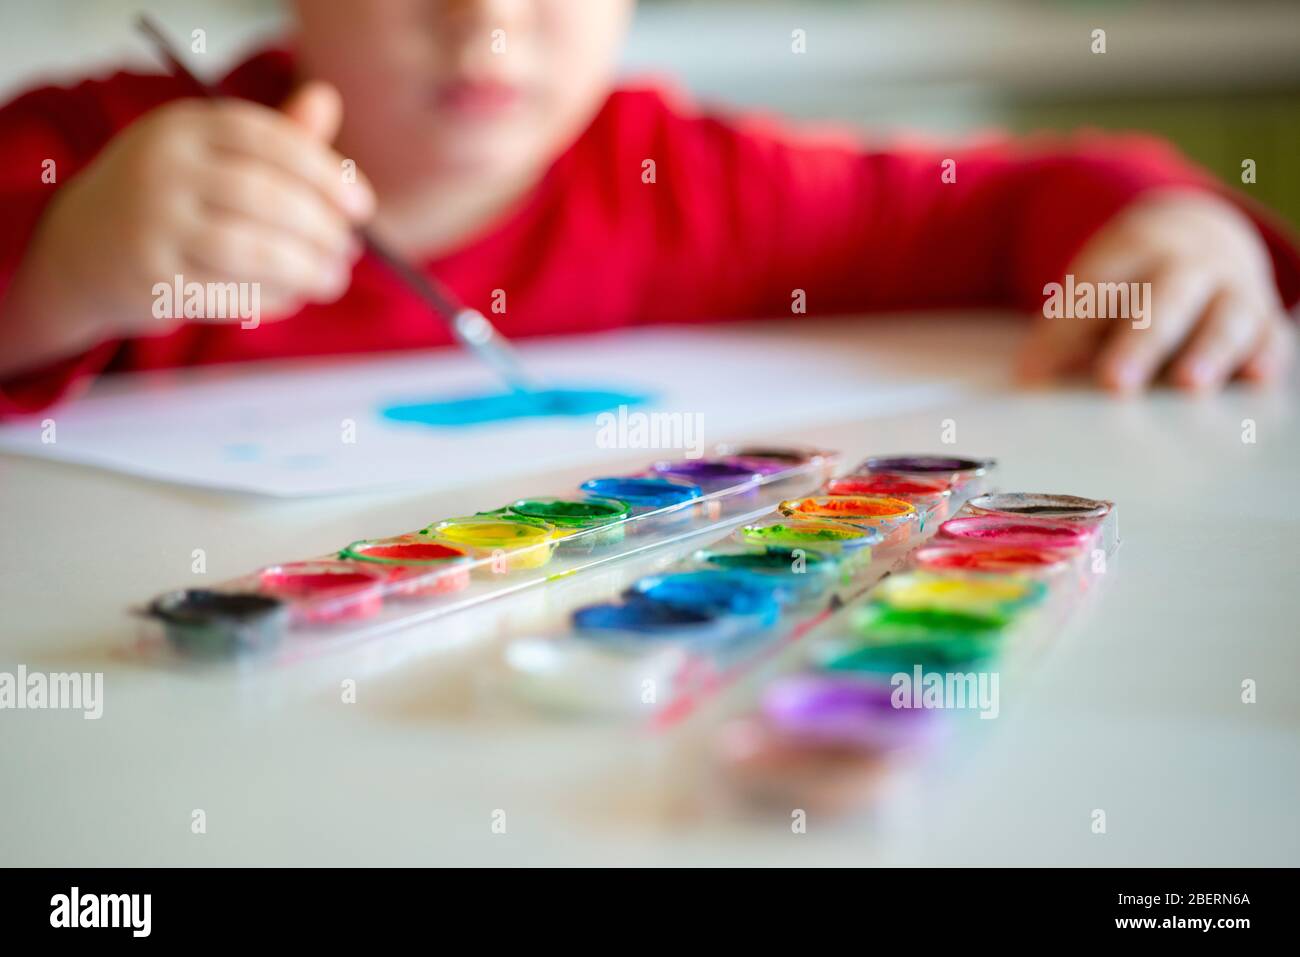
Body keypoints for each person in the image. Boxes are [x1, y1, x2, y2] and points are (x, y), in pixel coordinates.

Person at [1, 0, 1295, 417]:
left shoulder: (684, 184)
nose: (485, 21)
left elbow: (1021, 201)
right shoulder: (107, 153)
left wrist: (1181, 228)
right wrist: (60, 268)